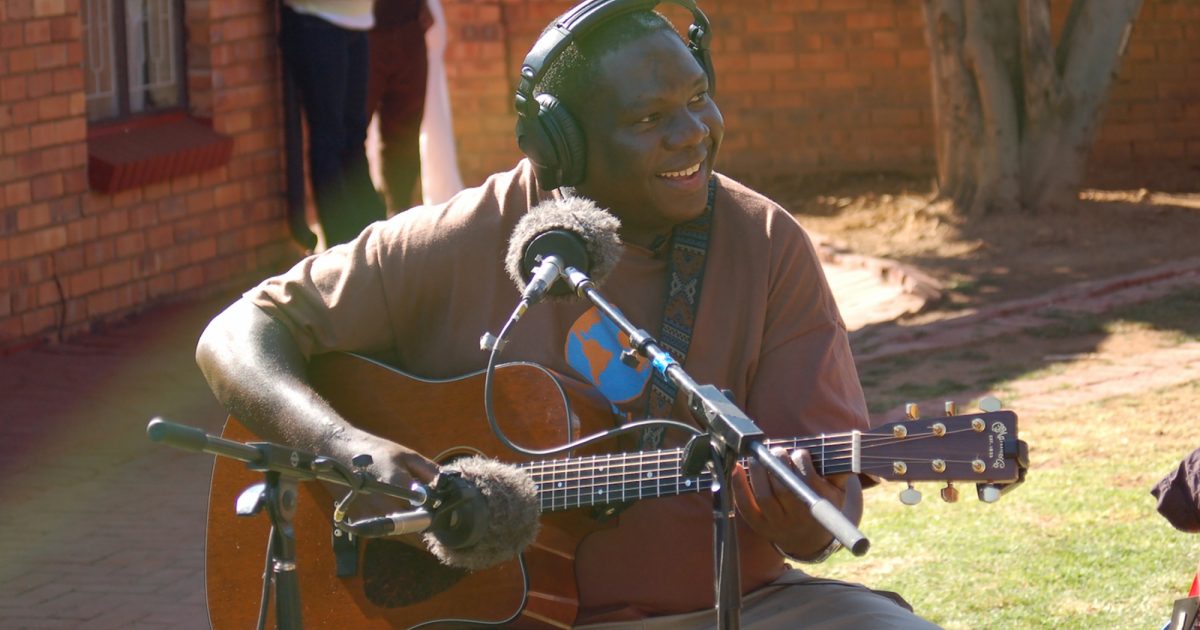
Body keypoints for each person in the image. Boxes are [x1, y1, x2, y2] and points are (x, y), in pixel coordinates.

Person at [198, 3, 938, 627]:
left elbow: (813, 529)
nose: (693, 133)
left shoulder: (766, 244)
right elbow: (234, 336)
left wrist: (794, 503)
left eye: (697, 97)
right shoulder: (460, 237)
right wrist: (348, 449)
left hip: (722, 608)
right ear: (559, 147)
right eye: (650, 116)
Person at [279, 0, 386, 247]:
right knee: (329, 137)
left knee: (355, 133)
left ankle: (370, 240)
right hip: (317, 23)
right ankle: (341, 248)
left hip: (357, 23)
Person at [366, 0, 431, 212]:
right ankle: (358, 228)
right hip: (362, 28)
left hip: (409, 24)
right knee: (349, 135)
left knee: (405, 134)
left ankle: (398, 219)